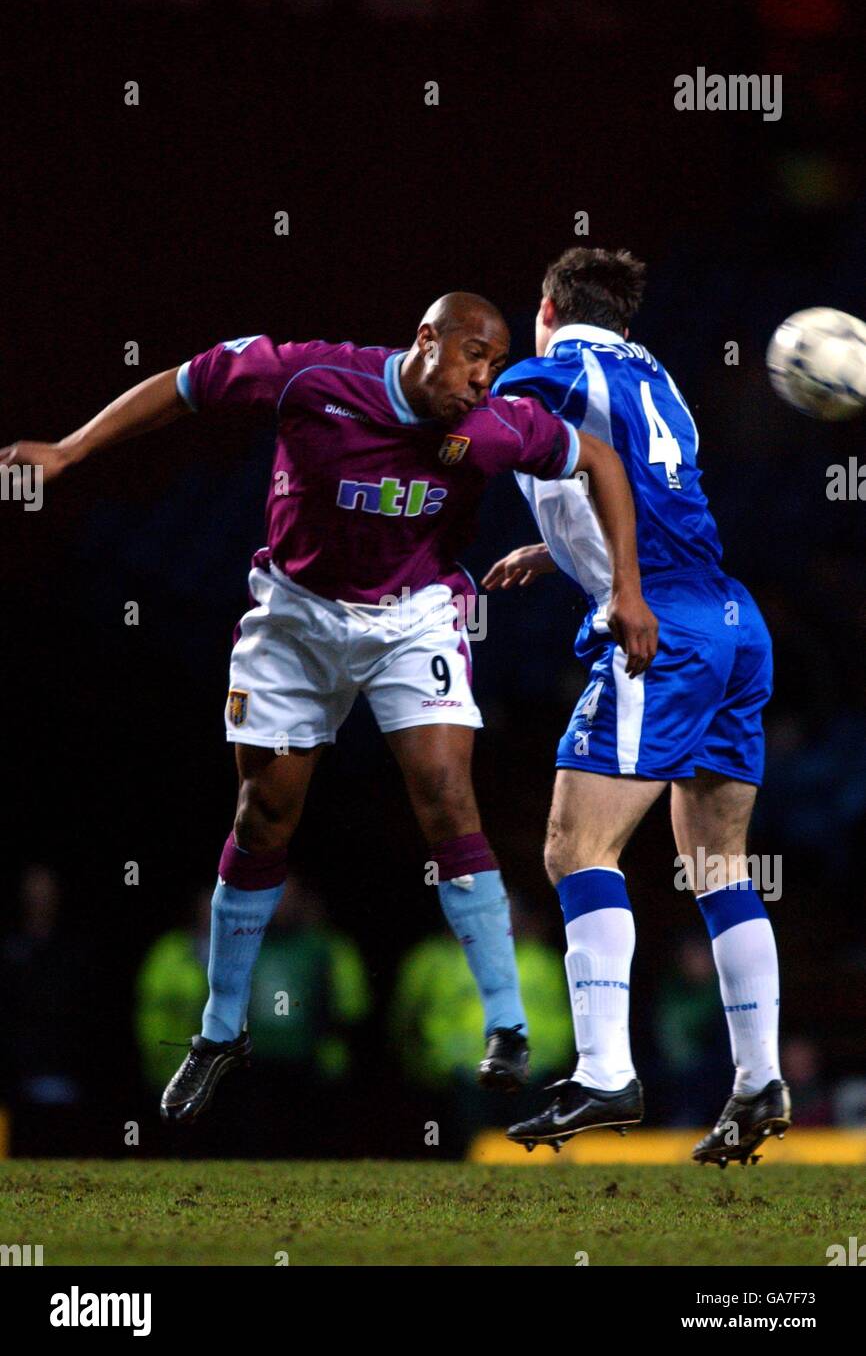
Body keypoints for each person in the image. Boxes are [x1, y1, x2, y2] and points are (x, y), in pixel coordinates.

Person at [1, 291, 656, 1125]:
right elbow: (186, 384)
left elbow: (598, 459)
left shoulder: (496, 423)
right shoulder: (311, 376)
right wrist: (70, 450)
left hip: (414, 613)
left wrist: (627, 591)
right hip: (295, 615)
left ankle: (507, 1025)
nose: (483, 378)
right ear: (426, 340)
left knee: (447, 796)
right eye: (472, 357)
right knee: (265, 814)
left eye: (494, 363)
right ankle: (220, 1029)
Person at [483, 248, 789, 1165]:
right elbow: (646, 489)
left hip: (661, 630)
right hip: (734, 620)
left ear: (546, 309)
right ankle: (760, 1080)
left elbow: (459, 422)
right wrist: (560, 551)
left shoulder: (549, 368)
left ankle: (606, 1070)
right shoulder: (659, 378)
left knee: (575, 846)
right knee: (719, 868)